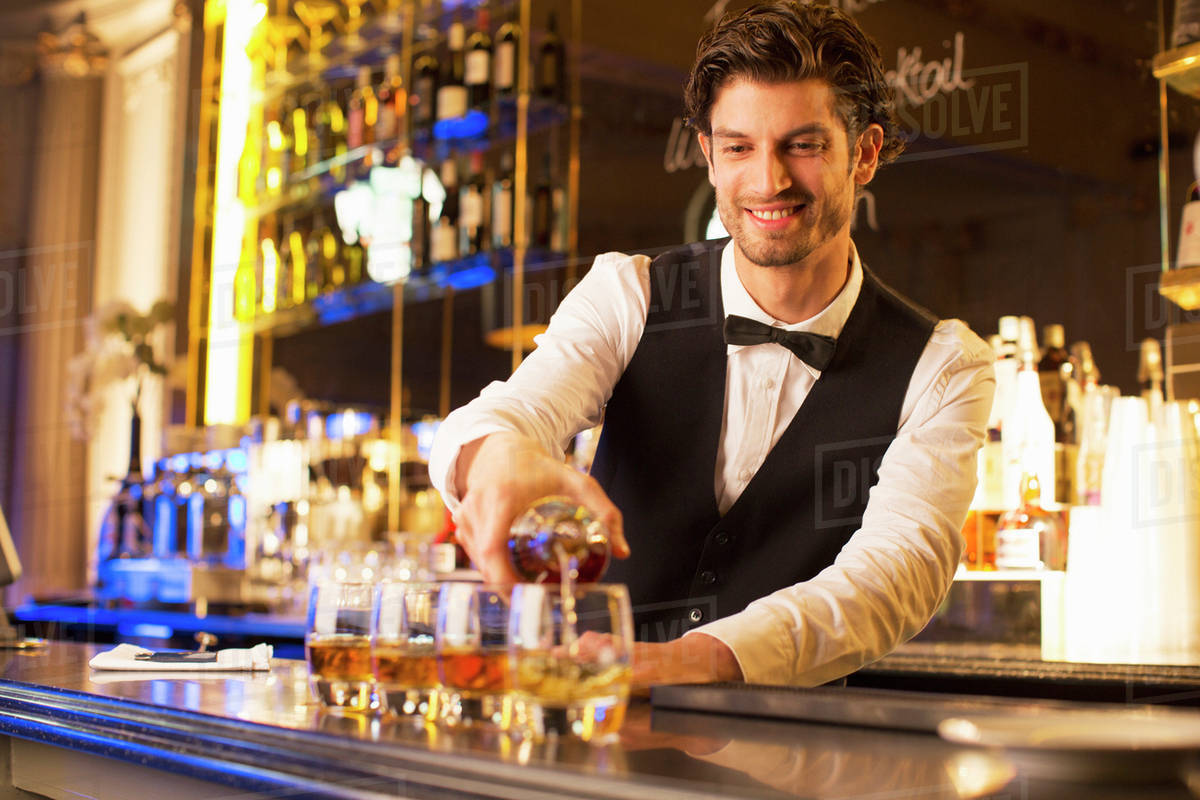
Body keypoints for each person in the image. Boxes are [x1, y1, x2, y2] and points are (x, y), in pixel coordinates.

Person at [429, 1, 994, 688]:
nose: (768, 180)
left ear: (865, 153)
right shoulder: (630, 294)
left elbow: (897, 573)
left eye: (804, 145)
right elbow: (515, 410)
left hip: (786, 746)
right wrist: (499, 458)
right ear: (708, 155)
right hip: (590, 720)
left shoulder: (943, 367)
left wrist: (699, 661)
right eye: (738, 147)